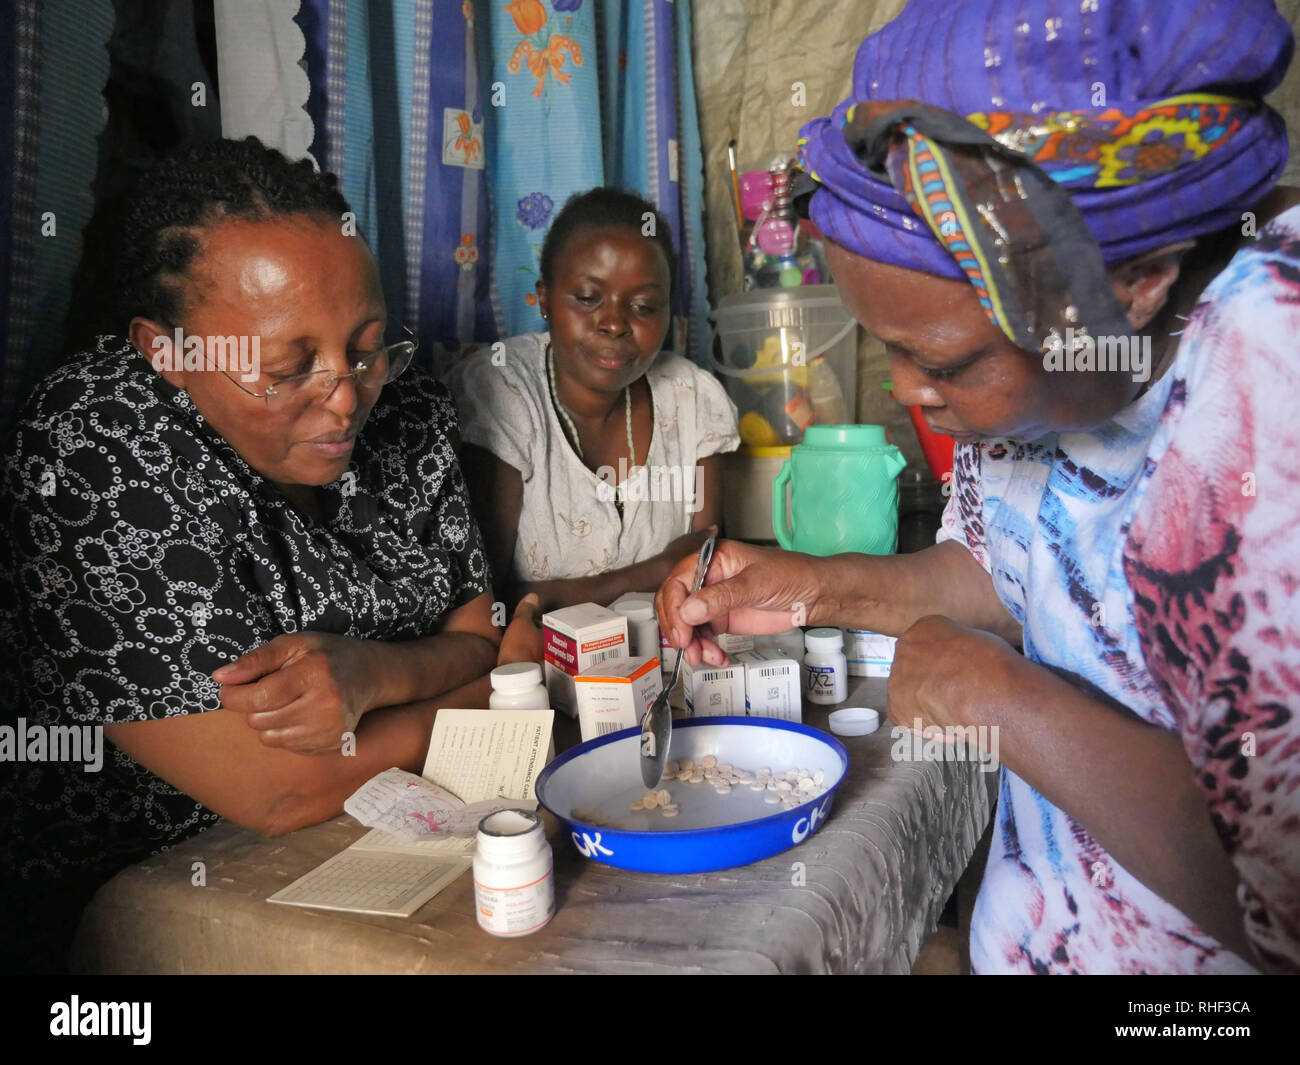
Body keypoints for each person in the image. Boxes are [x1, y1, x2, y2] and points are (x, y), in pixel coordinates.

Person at [657, 0, 1300, 974]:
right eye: (891, 350)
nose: (906, 391)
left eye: (943, 365)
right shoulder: (1062, 371)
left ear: (1137, 282)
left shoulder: (1267, 395)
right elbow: (1002, 570)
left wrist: (1004, 703)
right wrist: (804, 586)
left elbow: (1280, 902)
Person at [0, 137, 509, 972]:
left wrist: (370, 677)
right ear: (167, 353)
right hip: (153, 904)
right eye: (285, 367)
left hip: (375, 836)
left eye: (365, 344)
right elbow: (275, 787)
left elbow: (478, 621)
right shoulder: (94, 447)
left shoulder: (401, 393)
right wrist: (493, 692)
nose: (346, 395)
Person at [447, 187, 739, 612]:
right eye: (588, 298)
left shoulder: (693, 400)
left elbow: (703, 577)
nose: (615, 324)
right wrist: (653, 573)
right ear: (545, 298)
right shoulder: (503, 393)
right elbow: (482, 605)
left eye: (643, 306)